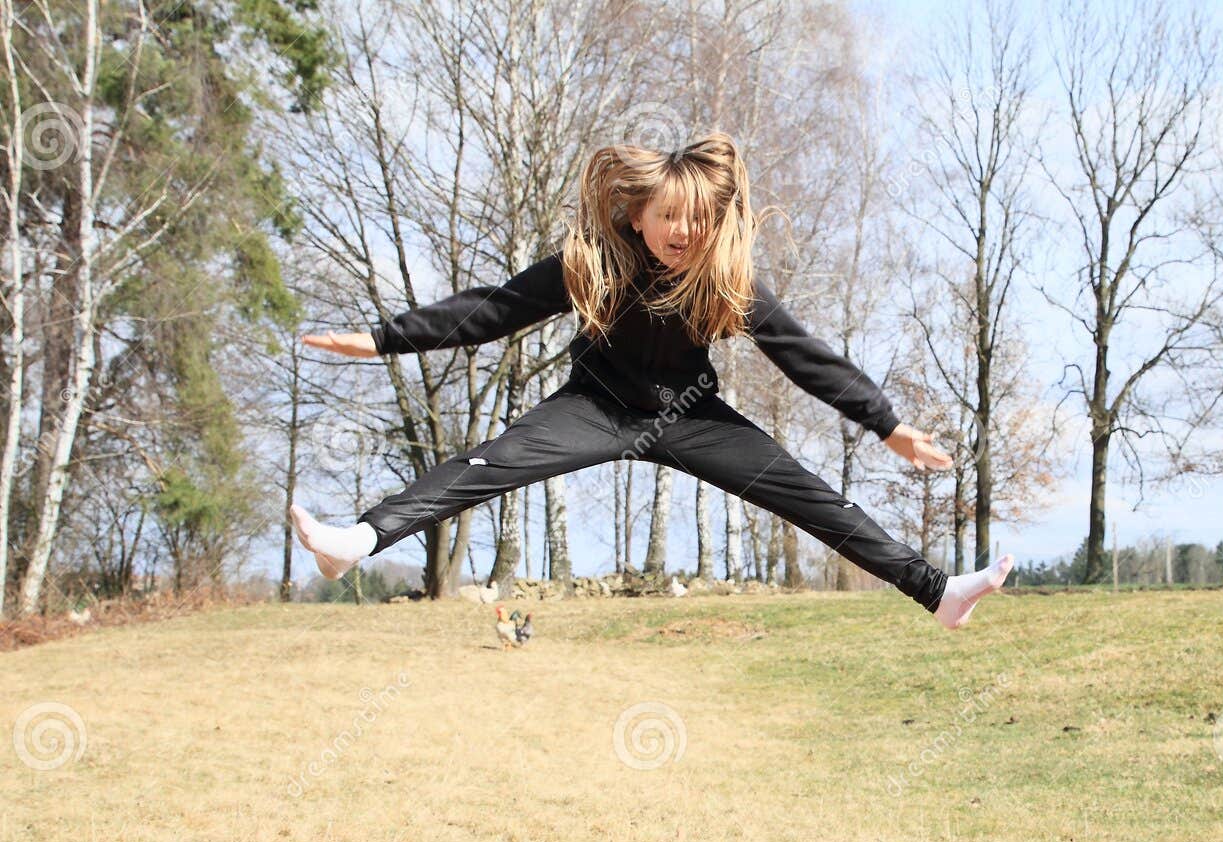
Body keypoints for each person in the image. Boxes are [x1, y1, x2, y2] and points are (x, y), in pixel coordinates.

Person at [292, 132, 1012, 629]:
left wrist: (886, 424)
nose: (682, 230)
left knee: (809, 495)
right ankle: (358, 540)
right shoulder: (590, 263)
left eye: (698, 219)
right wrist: (382, 339)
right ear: (639, 215)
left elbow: (805, 354)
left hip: (691, 417)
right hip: (593, 407)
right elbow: (492, 310)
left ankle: (937, 592)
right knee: (491, 464)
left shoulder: (725, 284)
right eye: (669, 215)